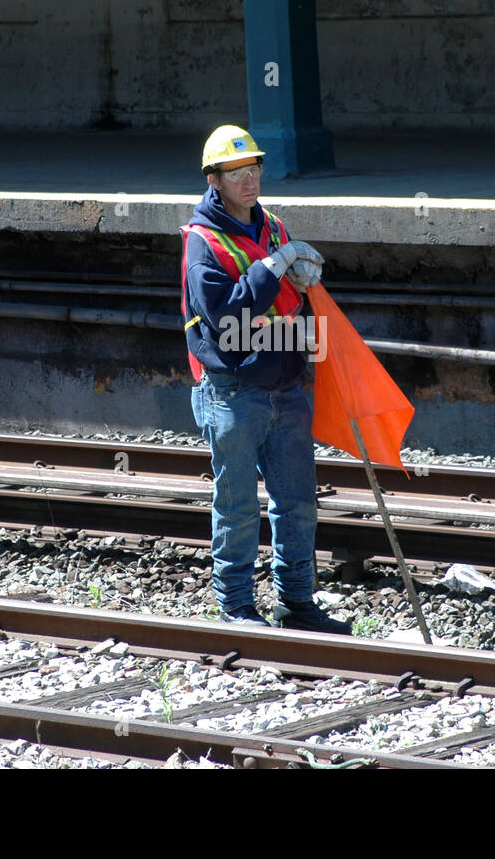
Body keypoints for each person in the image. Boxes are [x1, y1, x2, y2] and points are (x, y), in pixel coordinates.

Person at [179, 124, 351, 635]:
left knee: (297, 503)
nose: (249, 180)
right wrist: (274, 268)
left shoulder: (272, 225)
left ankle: (296, 603)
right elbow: (226, 321)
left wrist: (300, 281)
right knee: (236, 506)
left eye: (253, 169)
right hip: (233, 393)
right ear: (215, 180)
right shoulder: (202, 244)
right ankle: (236, 608)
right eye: (237, 173)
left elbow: (288, 303)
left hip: (285, 387)